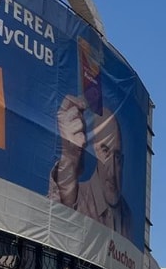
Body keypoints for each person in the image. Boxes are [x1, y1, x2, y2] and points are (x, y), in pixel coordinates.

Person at [49, 95, 133, 238]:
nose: (112, 171)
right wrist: (69, 158)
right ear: (93, 150)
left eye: (117, 157)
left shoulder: (128, 216)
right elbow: (56, 220)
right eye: (105, 152)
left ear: (123, 162)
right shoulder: (78, 197)